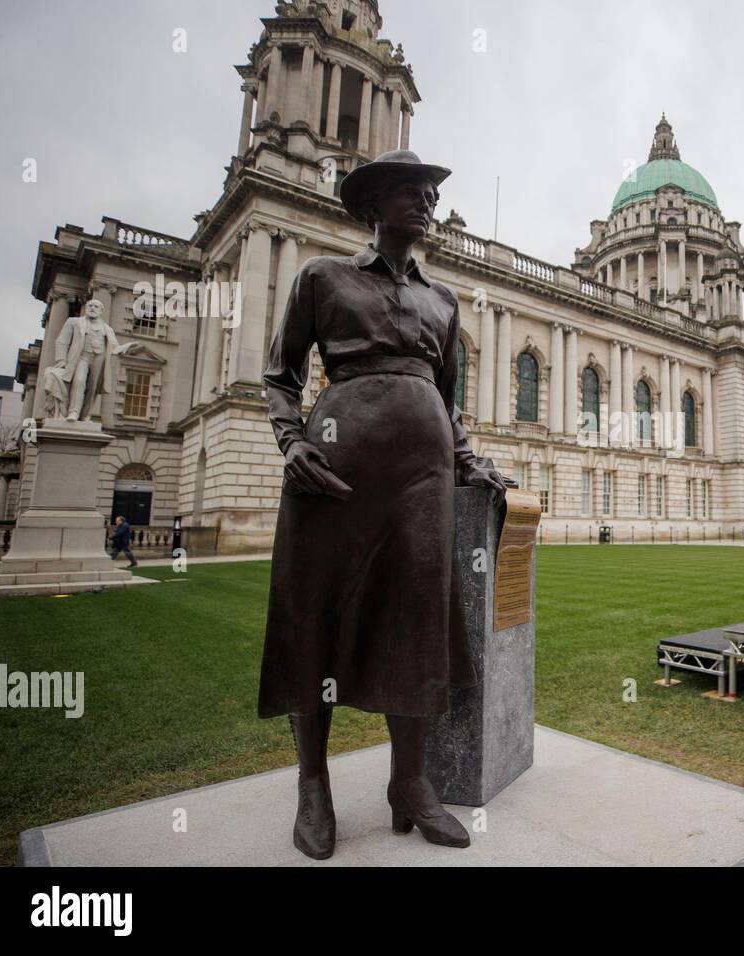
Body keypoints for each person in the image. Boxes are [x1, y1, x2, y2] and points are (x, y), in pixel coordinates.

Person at [258, 149, 512, 860]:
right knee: (317, 618)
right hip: (335, 465)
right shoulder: (322, 277)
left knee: (419, 617)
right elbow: (279, 374)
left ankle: (411, 783)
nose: (426, 202)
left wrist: (469, 460)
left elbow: (450, 401)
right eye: (410, 190)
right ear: (371, 206)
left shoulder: (443, 300)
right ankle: (314, 786)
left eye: (430, 193)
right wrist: (289, 440)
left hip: (422, 473)